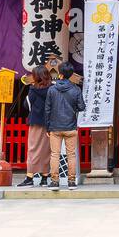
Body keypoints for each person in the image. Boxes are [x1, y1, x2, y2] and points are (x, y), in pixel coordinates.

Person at [44, 61, 86, 190]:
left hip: (55, 127)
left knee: (54, 154)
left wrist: (48, 127)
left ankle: (55, 182)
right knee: (71, 155)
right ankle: (71, 182)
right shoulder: (76, 89)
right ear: (71, 74)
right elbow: (81, 107)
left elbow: (47, 110)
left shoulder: (52, 89)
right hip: (70, 126)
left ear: (60, 74)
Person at [19, 65, 53, 187]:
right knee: (46, 150)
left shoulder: (33, 90)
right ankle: (44, 178)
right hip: (49, 123)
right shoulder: (52, 89)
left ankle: (30, 177)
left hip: (35, 123)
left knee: (33, 149)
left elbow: (26, 105)